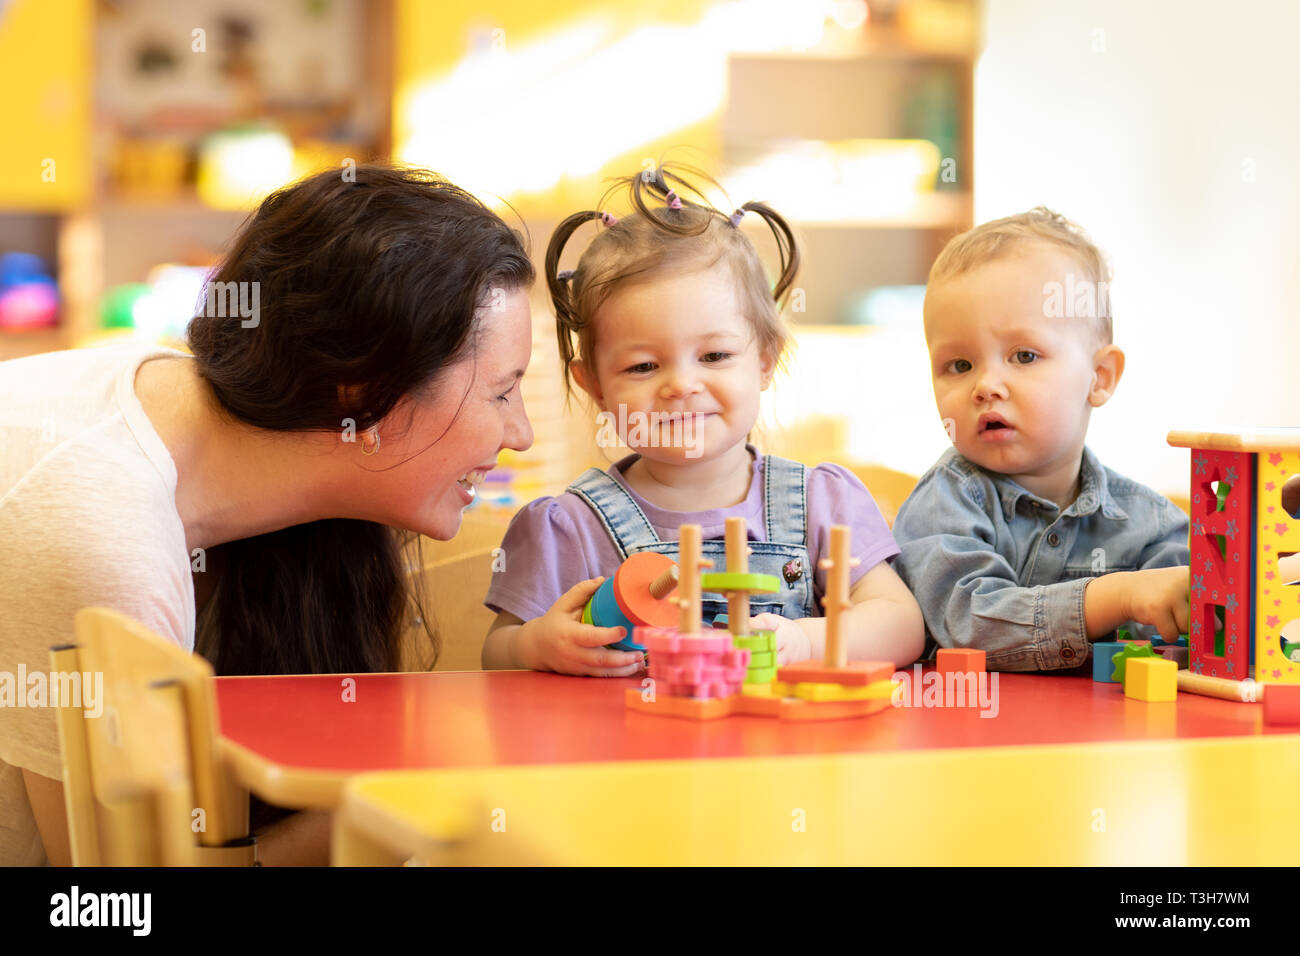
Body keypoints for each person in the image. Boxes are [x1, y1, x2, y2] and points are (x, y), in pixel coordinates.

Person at [0, 164, 535, 865]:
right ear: (364, 395)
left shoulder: (180, 418)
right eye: (501, 394)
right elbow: (114, 907)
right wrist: (420, 787)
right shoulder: (97, 532)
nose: (521, 433)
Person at [482, 165, 924, 676]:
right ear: (596, 386)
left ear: (764, 361)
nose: (681, 386)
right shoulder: (568, 529)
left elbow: (902, 625)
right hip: (635, 755)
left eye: (714, 356)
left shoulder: (825, 506)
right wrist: (536, 647)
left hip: (789, 755)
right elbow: (496, 657)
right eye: (643, 366)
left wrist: (806, 641)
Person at [891, 207, 1190, 671]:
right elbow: (969, 625)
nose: (986, 385)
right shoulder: (943, 505)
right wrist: (1120, 596)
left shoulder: (1152, 524)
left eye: (1024, 356)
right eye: (960, 365)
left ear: (1100, 376)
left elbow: (1197, 626)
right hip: (968, 736)